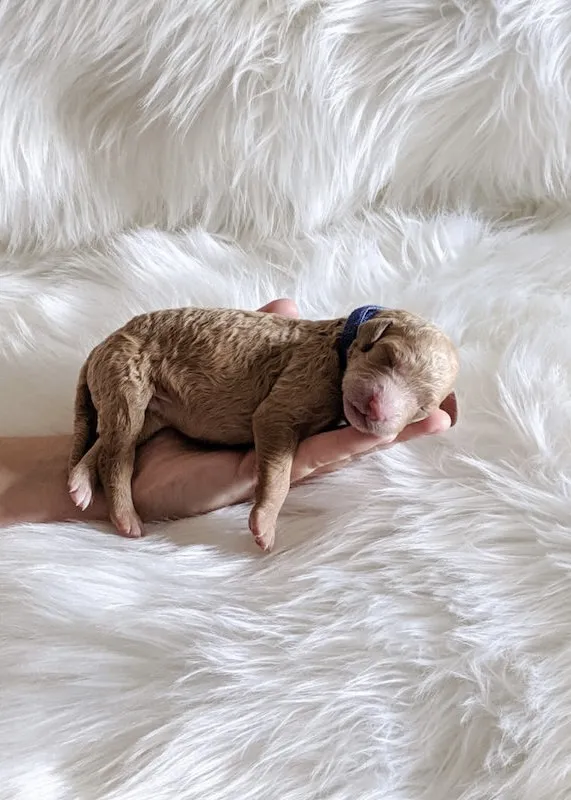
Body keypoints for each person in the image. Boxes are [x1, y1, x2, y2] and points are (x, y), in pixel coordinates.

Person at [0, 300, 455, 529]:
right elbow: (273, 424)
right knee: (121, 433)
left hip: (167, 399)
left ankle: (83, 464)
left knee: (129, 427)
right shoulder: (319, 360)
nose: (383, 403)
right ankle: (118, 496)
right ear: (367, 339)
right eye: (387, 363)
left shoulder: (349, 390)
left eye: (415, 405)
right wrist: (270, 502)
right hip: (139, 353)